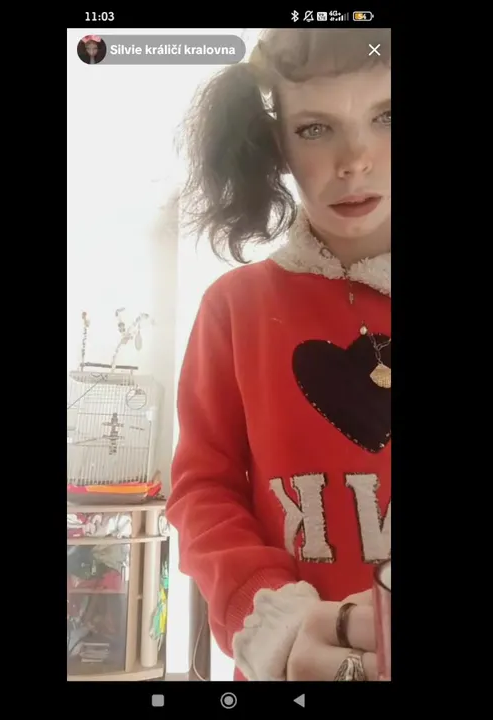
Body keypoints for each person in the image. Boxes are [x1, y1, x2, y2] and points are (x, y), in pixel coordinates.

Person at [165, 28, 391, 682]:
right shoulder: (232, 308)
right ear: (275, 144)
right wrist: (274, 621)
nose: (355, 161)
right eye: (316, 128)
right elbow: (204, 489)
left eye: (387, 117)